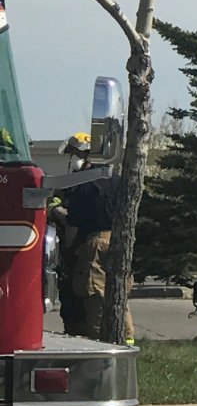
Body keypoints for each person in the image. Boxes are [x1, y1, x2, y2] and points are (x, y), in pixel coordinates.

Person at [59, 133, 133, 343]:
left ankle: (97, 350)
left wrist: (69, 250)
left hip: (94, 245)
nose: (71, 159)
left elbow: (74, 226)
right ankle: (126, 344)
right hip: (120, 243)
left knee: (95, 296)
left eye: (73, 153)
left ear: (86, 154)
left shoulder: (85, 184)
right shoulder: (117, 179)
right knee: (119, 298)